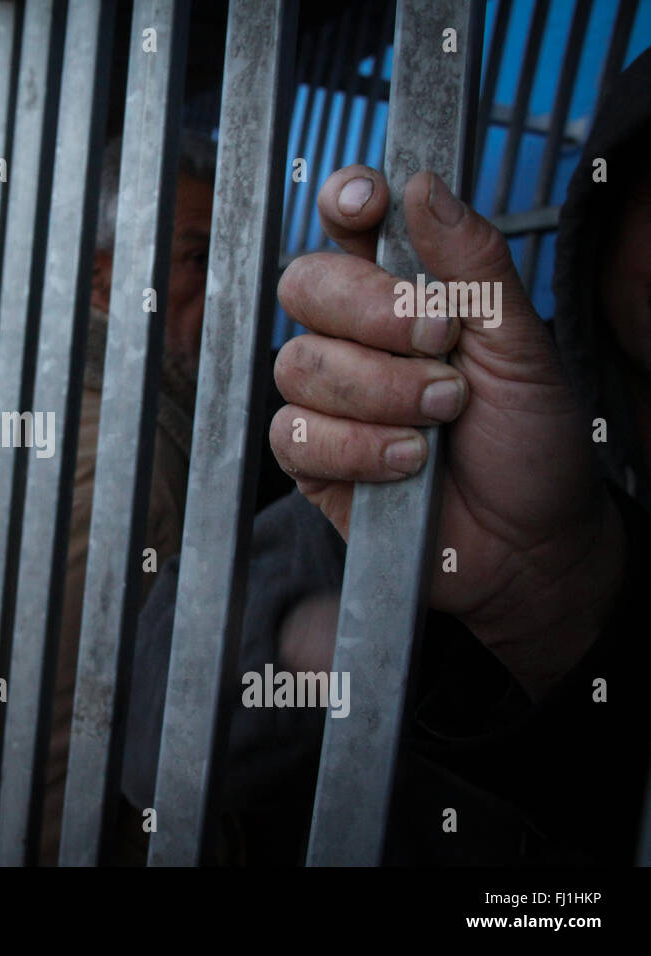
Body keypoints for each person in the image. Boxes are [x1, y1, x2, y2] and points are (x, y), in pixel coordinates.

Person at [121, 48, 651, 865]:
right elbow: (156, 723)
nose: (222, 285)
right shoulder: (476, 400)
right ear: (605, 215)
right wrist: (318, 635)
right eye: (196, 258)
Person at [0, 128, 294, 864]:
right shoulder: (118, 462)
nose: (233, 289)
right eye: (199, 257)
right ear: (101, 279)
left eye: (245, 259)